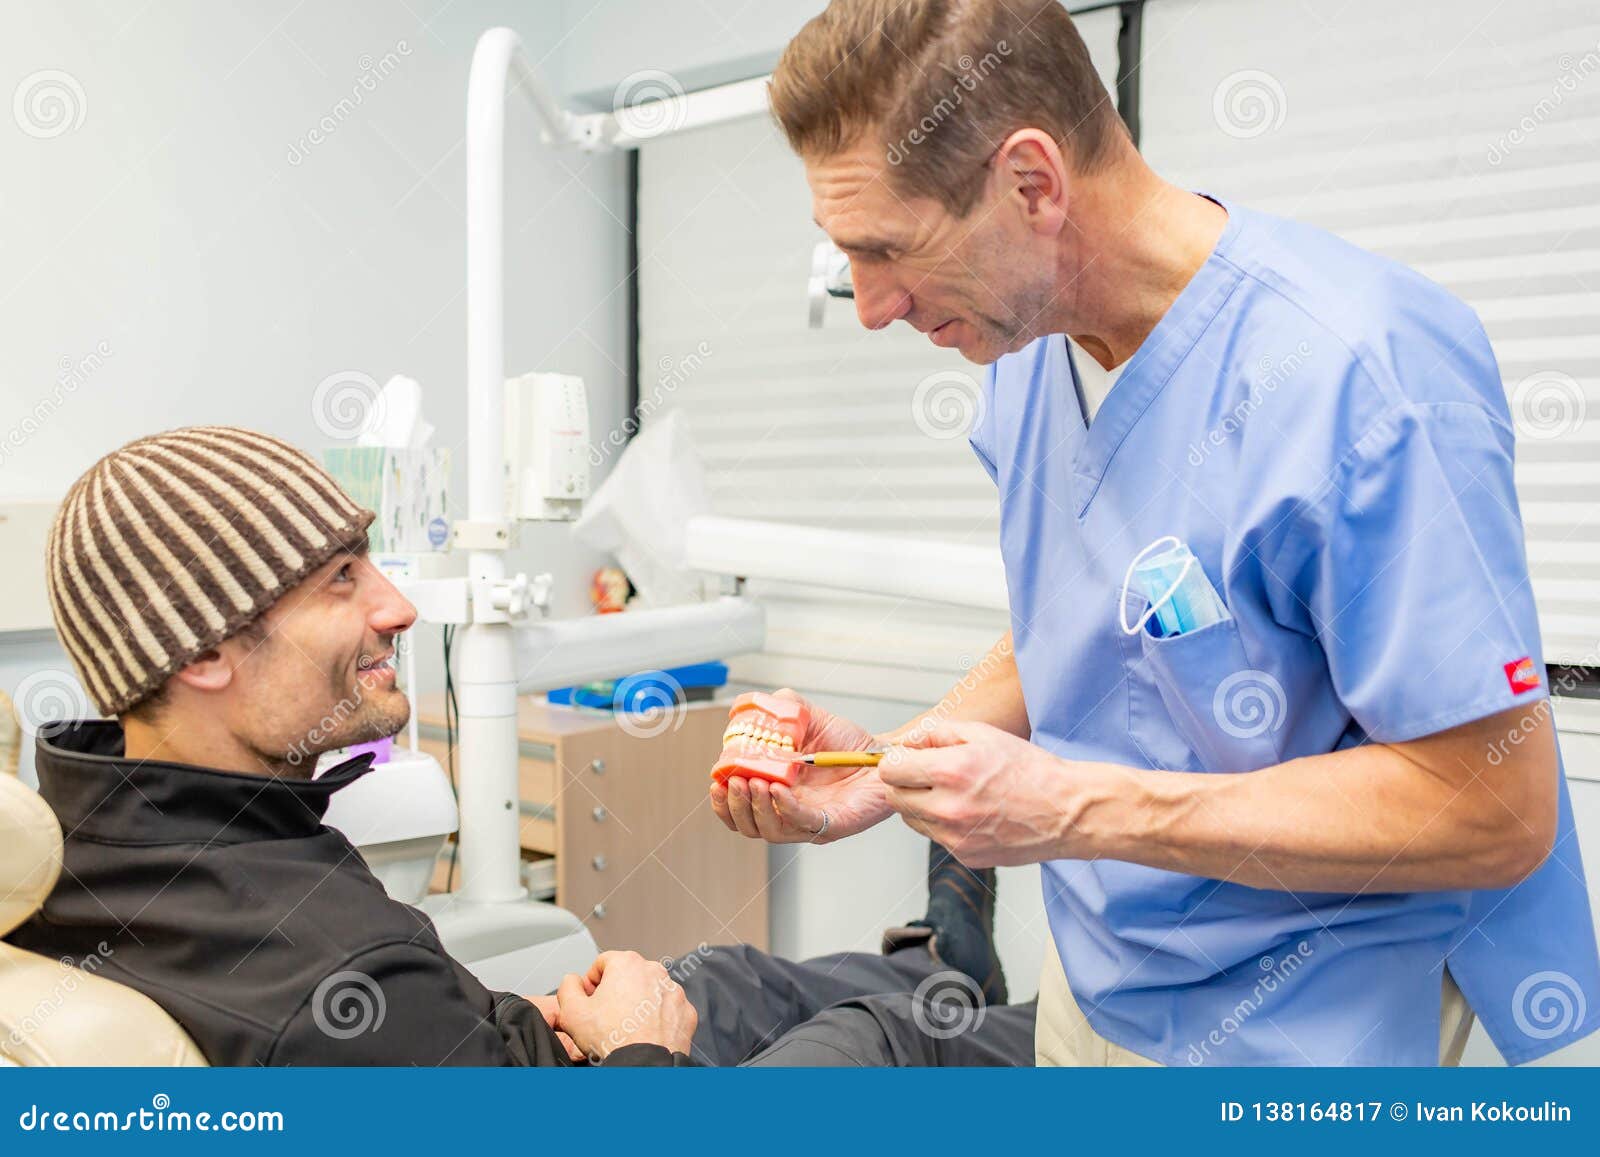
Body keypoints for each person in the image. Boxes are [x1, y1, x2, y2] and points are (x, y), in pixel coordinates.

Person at [711, 0, 1600, 1066]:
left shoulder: (1360, 376)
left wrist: (1076, 808)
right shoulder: (1022, 349)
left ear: (1031, 183)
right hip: (1101, 998)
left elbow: (1495, 809)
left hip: (1326, 1026)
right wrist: (881, 765)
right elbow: (1088, 623)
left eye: (886, 249)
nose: (867, 304)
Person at [7, 425, 1033, 1067]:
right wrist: (635, 1044)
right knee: (878, 1043)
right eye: (339, 580)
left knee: (722, 976)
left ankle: (946, 966)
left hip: (520, 1055)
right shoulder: (328, 982)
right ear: (206, 652)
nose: (399, 605)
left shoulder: (80, 824)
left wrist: (488, 1019)